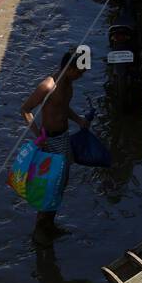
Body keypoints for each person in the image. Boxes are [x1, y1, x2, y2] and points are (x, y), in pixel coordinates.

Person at [20, 46, 90, 244]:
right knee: (50, 186)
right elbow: (25, 110)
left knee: (60, 184)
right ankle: (40, 232)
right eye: (79, 72)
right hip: (49, 141)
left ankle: (49, 225)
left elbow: (63, 107)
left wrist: (78, 120)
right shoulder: (48, 86)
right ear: (69, 68)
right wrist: (38, 137)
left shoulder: (68, 83)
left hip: (63, 137)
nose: (81, 76)